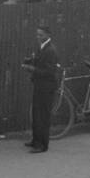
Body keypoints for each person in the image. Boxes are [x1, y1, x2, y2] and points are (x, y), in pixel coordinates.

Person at [23, 25, 60, 153]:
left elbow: (49, 72)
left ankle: (43, 145)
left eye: (41, 35)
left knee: (43, 116)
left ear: (48, 35)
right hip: (40, 85)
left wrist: (32, 69)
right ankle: (35, 140)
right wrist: (31, 61)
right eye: (37, 34)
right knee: (36, 114)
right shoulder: (43, 47)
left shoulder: (51, 50)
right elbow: (40, 61)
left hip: (46, 87)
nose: (38, 37)